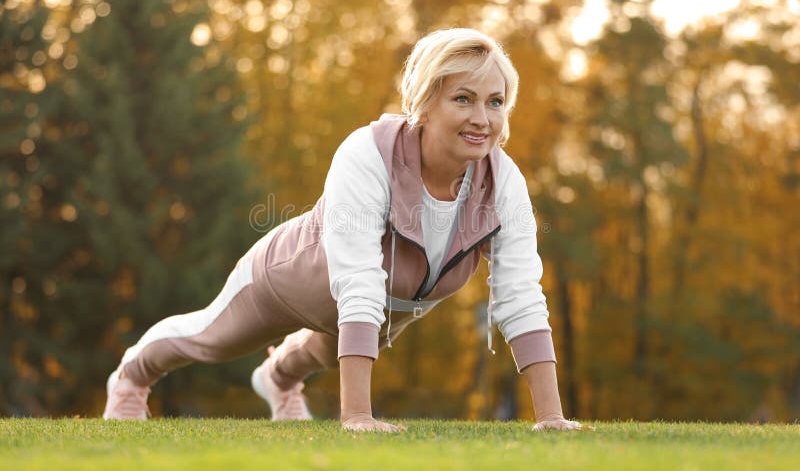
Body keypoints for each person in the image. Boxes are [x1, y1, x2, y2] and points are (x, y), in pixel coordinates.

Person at [103, 28, 591, 432]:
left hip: (380, 311)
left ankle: (277, 381)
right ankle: (129, 377)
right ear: (424, 103)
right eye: (463, 99)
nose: (482, 119)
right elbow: (358, 279)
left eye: (496, 102)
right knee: (211, 339)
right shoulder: (367, 153)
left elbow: (521, 295)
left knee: (323, 351)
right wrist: (357, 415)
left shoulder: (503, 181)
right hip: (290, 277)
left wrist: (550, 417)